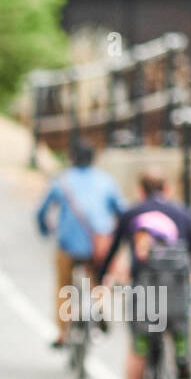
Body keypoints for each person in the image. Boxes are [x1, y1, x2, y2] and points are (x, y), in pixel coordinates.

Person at [95, 167, 191, 379]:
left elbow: (113, 251)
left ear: (141, 191)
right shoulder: (182, 213)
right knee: (181, 320)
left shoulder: (130, 214)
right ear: (167, 190)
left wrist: (102, 278)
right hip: (176, 290)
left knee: (138, 345)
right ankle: (182, 356)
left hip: (144, 291)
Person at [35, 142, 125, 349]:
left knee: (64, 286)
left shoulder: (61, 180)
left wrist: (45, 231)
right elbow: (121, 210)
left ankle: (63, 332)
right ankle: (100, 312)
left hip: (67, 244)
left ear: (72, 158)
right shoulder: (106, 181)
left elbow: (42, 212)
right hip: (97, 244)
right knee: (98, 281)